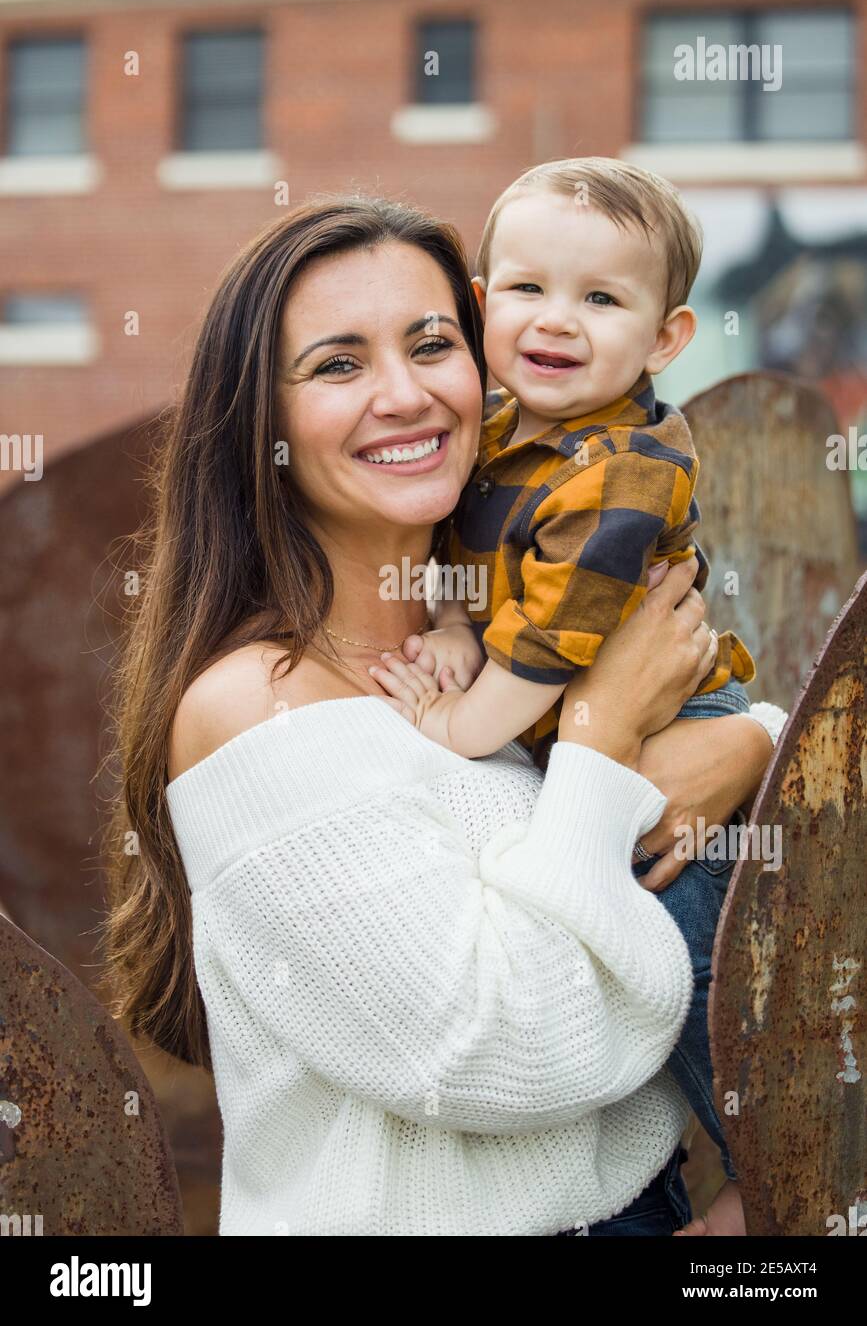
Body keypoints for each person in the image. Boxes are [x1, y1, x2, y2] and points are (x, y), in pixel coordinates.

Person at [101, 195, 784, 1236]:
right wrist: (607, 743)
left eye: (432, 344)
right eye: (338, 365)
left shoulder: (507, 636)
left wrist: (751, 744)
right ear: (261, 423)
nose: (406, 394)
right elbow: (512, 1047)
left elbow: (732, 744)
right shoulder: (259, 709)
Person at [368, 158, 771, 1233]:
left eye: (601, 298)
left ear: (666, 337)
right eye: (531, 290)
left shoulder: (625, 470)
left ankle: (780, 1186)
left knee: (695, 976)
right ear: (486, 305)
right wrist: (453, 629)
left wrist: (458, 721)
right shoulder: (500, 429)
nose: (560, 321)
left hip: (673, 725)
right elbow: (474, 562)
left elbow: (550, 647)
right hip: (591, 734)